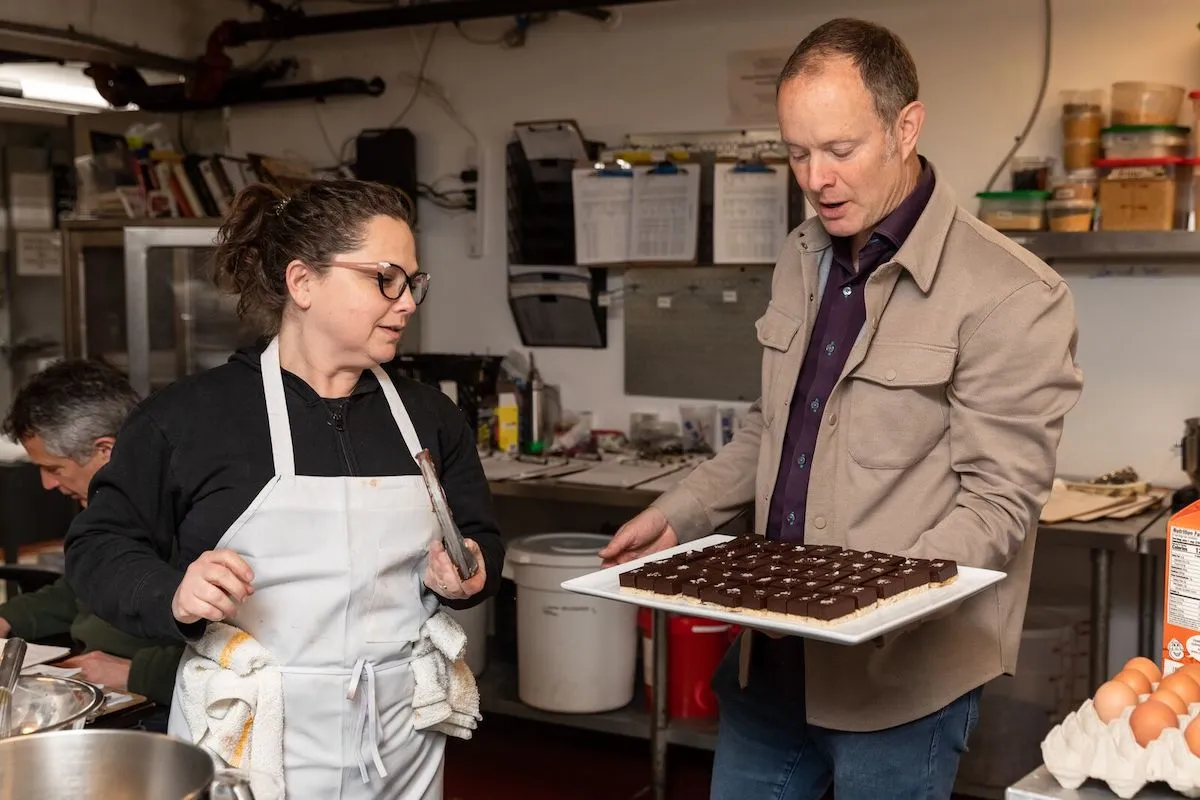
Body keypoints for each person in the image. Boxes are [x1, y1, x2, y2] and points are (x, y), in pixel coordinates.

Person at [599, 17, 1083, 800]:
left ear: (906, 127)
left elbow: (1000, 504)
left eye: (841, 150)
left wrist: (877, 600)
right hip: (772, 662)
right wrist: (681, 513)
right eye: (797, 153)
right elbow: (773, 426)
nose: (817, 178)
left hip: (899, 683)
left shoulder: (1010, 294)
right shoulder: (802, 256)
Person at [64, 178, 504, 799]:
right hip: (251, 728)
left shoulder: (429, 418)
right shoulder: (190, 418)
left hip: (402, 736)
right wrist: (173, 591)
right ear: (302, 283)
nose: (406, 302)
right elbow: (99, 546)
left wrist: (472, 569)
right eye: (385, 278)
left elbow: (478, 532)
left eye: (412, 282)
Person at [0, 359, 183, 712]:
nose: (48, 484)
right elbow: (78, 593)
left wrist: (137, 673)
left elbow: (234, 653)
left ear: (106, 451)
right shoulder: (101, 514)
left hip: (152, 706)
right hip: (92, 676)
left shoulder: (190, 516)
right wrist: (8, 617)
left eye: (54, 469)